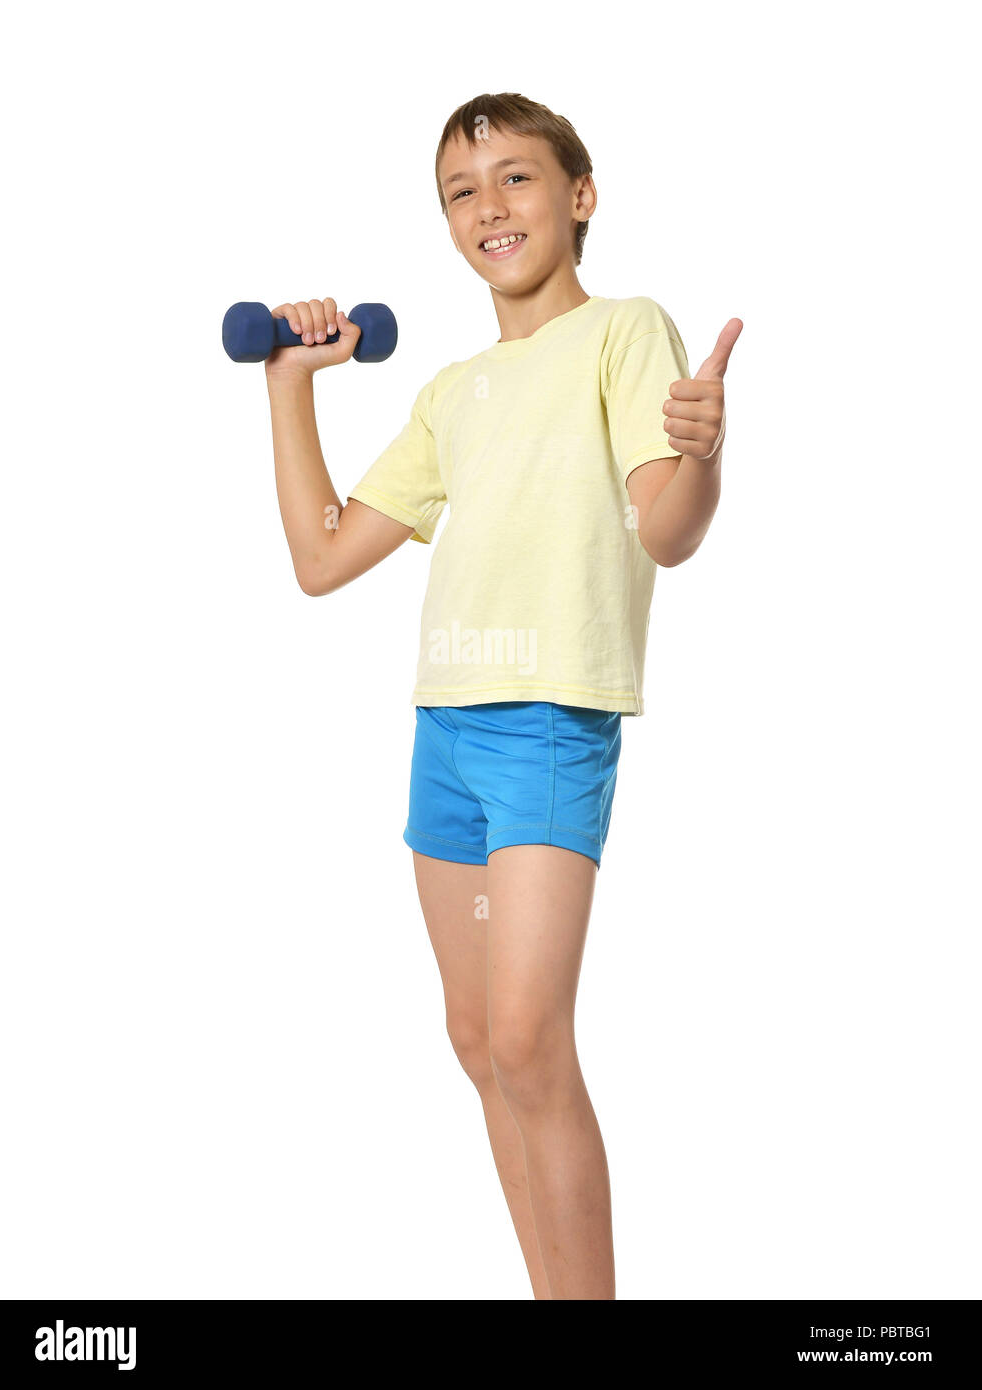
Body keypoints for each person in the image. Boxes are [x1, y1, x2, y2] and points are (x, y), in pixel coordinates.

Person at [262, 91, 742, 1300]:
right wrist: (289, 385)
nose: (490, 207)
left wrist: (701, 451)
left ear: (579, 198)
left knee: (531, 1037)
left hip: (547, 720)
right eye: (462, 192)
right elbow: (322, 556)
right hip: (445, 728)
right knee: (479, 1042)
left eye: (517, 179)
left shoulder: (626, 332)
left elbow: (668, 532)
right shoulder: (449, 390)